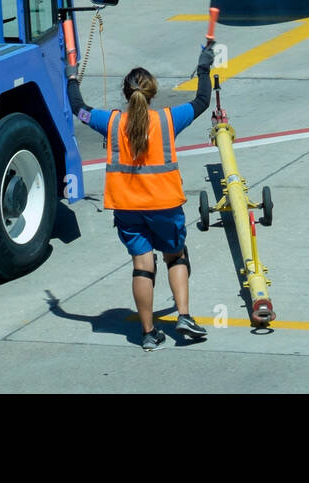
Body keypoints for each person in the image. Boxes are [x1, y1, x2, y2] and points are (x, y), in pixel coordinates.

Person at [67, 43, 215, 350]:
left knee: (142, 265)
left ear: (125, 93)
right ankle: (184, 315)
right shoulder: (168, 119)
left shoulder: (110, 122)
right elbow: (202, 100)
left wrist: (71, 77)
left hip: (127, 209)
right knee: (176, 256)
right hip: (165, 205)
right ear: (152, 93)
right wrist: (204, 66)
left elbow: (78, 108)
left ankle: (148, 334)